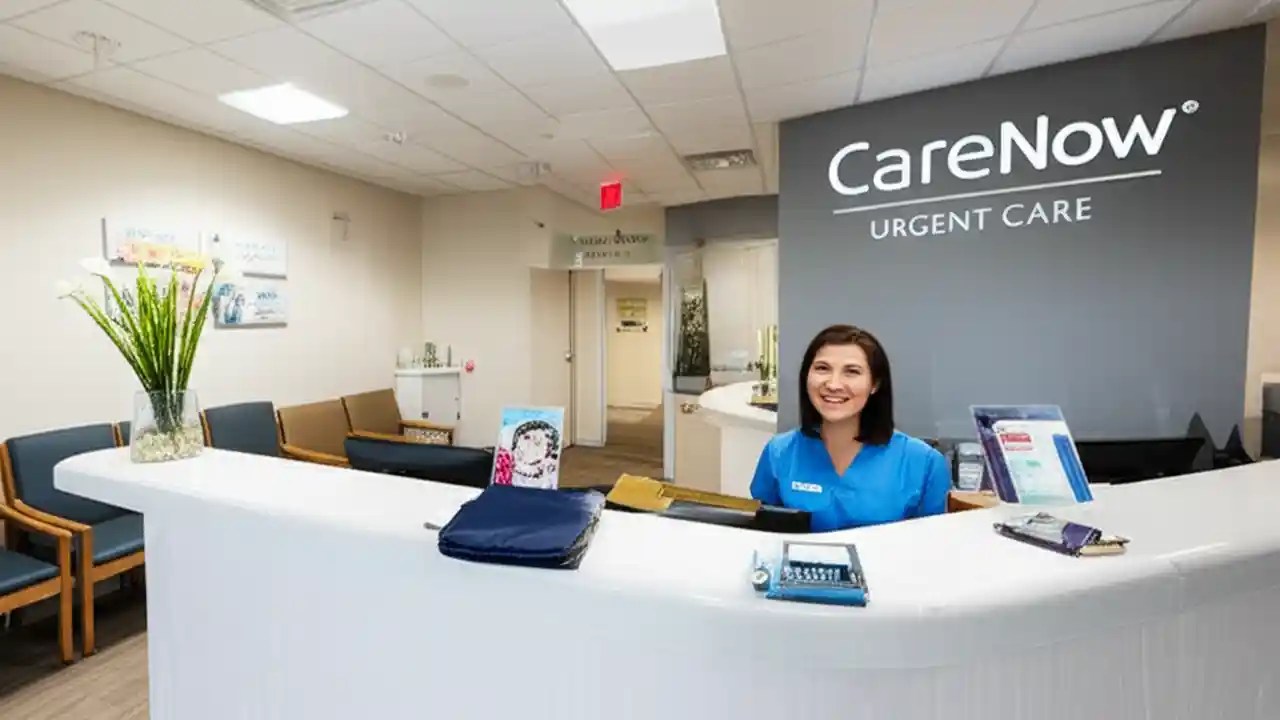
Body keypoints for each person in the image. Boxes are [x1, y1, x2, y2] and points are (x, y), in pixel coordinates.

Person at [749, 324, 950, 531]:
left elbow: (933, 550)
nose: (834, 384)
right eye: (822, 368)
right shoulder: (779, 453)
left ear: (875, 384)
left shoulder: (925, 464)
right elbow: (763, 537)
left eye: (852, 372)